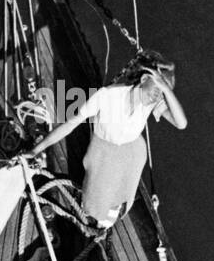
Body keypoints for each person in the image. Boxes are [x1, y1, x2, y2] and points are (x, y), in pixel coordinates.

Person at [29, 50, 187, 229]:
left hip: (132, 149)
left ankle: (114, 209)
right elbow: (70, 124)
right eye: (157, 90)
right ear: (143, 80)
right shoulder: (107, 96)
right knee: (93, 204)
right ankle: (95, 217)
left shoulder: (152, 100)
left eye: (163, 93)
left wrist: (165, 89)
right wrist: (36, 150)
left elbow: (181, 124)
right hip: (104, 150)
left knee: (123, 195)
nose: (158, 96)